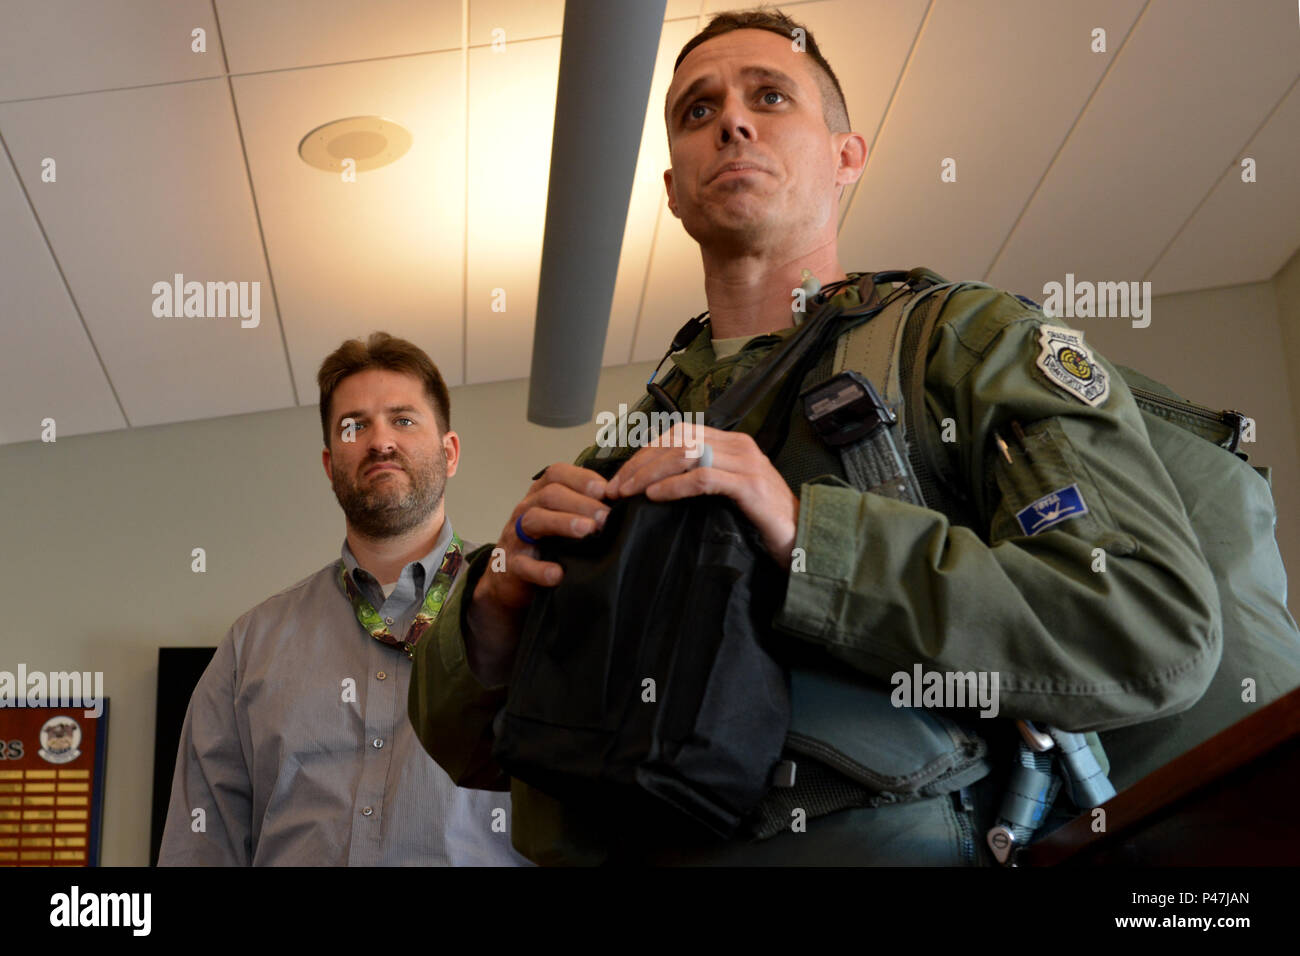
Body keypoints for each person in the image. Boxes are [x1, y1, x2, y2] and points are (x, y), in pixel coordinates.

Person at [408, 9, 1220, 865]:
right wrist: (495, 606)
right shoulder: (621, 453)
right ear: (674, 192)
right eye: (697, 111)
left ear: (846, 156)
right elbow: (469, 751)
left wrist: (809, 537)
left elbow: (1148, 624)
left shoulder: (960, 345)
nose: (732, 121)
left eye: (770, 96)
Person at [159, 332, 527, 866]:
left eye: (403, 419)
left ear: (448, 453)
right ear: (331, 465)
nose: (381, 441)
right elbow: (199, 847)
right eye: (356, 426)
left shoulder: (524, 607)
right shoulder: (250, 646)